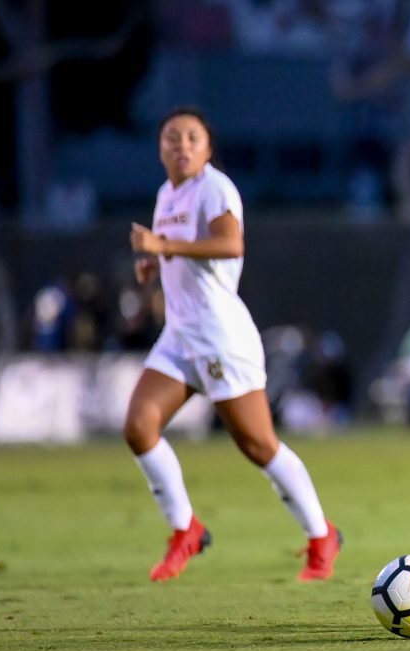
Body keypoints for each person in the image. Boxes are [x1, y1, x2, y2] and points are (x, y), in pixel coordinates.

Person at [125, 106, 342, 582]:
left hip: (221, 336)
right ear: (160, 147)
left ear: (207, 148)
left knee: (258, 444)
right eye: (171, 137)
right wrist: (153, 270)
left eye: (191, 138)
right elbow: (180, 260)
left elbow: (230, 245)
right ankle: (186, 530)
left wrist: (163, 249)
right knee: (139, 427)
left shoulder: (214, 188)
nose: (181, 145)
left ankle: (321, 534)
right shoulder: (167, 193)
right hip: (181, 335)